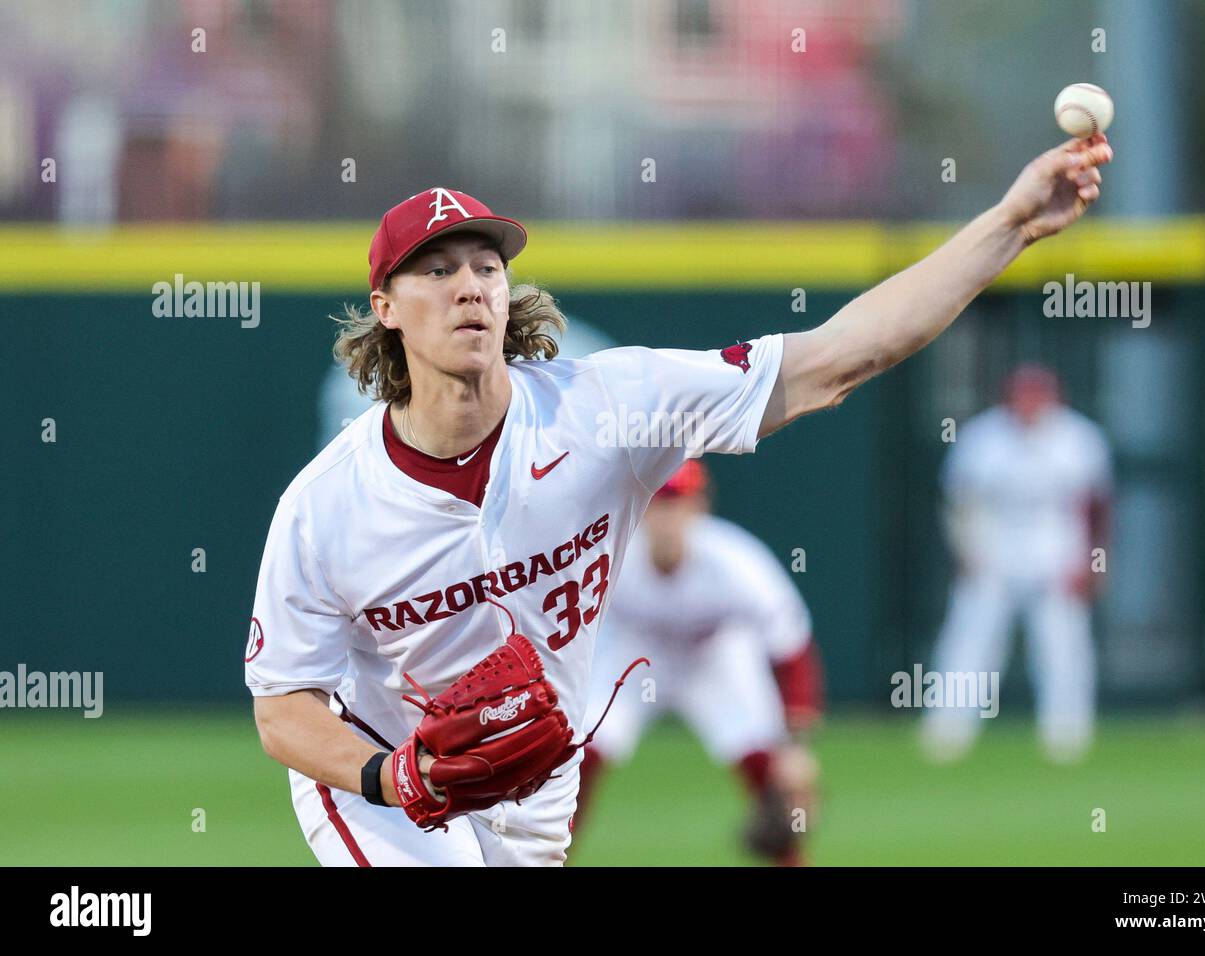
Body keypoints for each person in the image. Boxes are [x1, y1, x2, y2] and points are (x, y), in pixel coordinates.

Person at [246, 135, 1112, 867]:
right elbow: (283, 706)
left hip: (532, 785)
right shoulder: (326, 505)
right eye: (436, 269)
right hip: (382, 780)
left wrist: (1010, 225)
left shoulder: (607, 409)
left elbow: (839, 357)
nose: (470, 284)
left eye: (485, 264)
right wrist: (390, 776)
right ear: (385, 307)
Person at [573, 460, 823, 866]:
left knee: (768, 767)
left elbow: (792, 646)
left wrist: (796, 748)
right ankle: (548, 858)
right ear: (640, 507)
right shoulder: (609, 556)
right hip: (636, 659)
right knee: (580, 755)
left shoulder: (736, 561)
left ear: (699, 507)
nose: (668, 516)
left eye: (678, 502)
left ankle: (792, 861)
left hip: (714, 659)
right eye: (658, 502)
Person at [921, 365, 1114, 764]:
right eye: (1021, 397)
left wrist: (1093, 562)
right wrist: (967, 553)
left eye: (1037, 396)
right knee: (969, 642)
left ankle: (1066, 735)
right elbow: (959, 502)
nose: (1029, 406)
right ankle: (947, 731)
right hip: (993, 555)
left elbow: (1097, 506)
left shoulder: (1079, 438)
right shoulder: (982, 437)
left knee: (1063, 646)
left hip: (1056, 555)